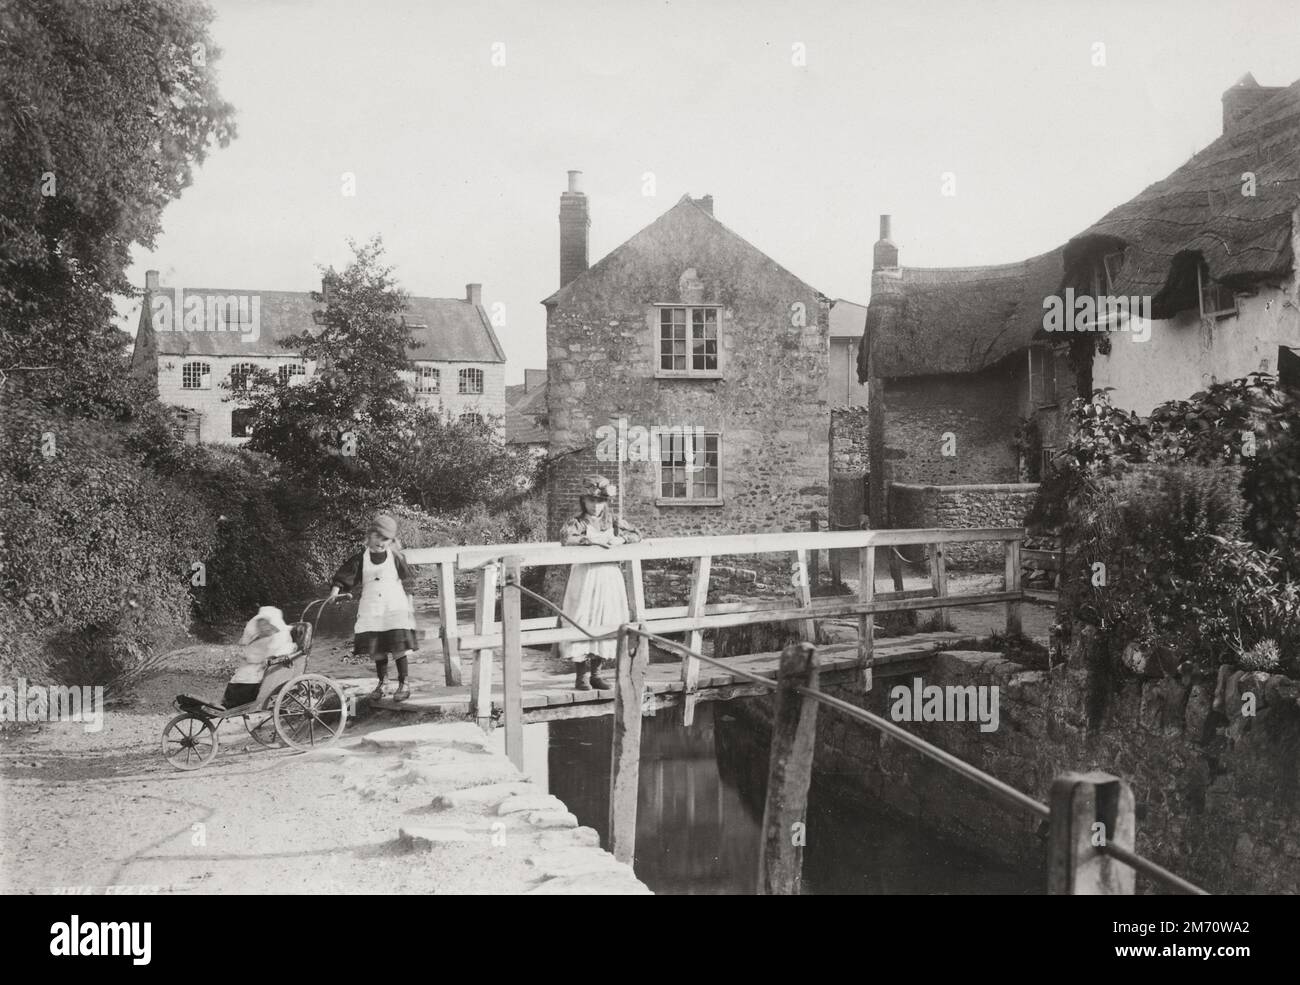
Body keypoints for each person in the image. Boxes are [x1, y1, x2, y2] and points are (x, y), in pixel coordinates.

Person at [559, 474, 641, 691]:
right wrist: (590, 540)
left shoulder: (613, 521)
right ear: (584, 501)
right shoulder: (577, 521)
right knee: (582, 619)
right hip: (585, 576)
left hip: (608, 576)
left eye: (600, 501)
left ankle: (597, 673)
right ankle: (581, 677)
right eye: (591, 501)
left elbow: (637, 534)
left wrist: (621, 539)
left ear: (605, 503)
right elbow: (566, 539)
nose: (596, 506)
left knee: (606, 619)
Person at [329, 513, 419, 701]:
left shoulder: (395, 557)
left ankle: (404, 683)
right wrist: (335, 591)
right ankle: (383, 683)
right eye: (377, 536)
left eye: (385, 539)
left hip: (394, 606)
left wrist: (409, 605)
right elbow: (346, 576)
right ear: (369, 535)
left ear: (391, 540)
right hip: (371, 607)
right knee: (376, 647)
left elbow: (408, 580)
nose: (381, 542)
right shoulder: (360, 559)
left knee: (397, 646)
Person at [224, 606, 296, 709]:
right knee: (240, 675)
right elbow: (253, 651)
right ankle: (230, 703)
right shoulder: (261, 637)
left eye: (266, 624)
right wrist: (247, 656)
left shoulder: (280, 636)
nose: (263, 628)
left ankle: (242, 703)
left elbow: (283, 650)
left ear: (273, 624)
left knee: (250, 677)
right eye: (261, 625)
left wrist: (271, 658)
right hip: (257, 664)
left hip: (271, 666)